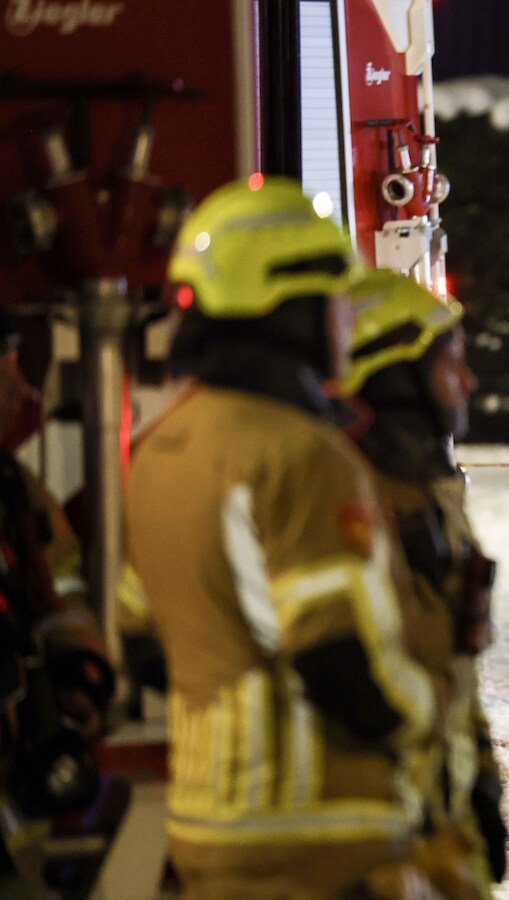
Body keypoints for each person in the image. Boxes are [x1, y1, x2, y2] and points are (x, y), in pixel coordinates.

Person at [122, 176, 442, 899]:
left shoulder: (162, 447)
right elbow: (343, 662)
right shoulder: (301, 454)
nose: (344, 321)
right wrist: (432, 707)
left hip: (207, 825)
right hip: (316, 834)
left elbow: (145, 643)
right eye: (335, 298)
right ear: (286, 305)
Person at [341, 269, 506, 897]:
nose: (467, 382)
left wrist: (479, 776)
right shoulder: (347, 503)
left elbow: (451, 659)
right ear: (394, 373)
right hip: (378, 839)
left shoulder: (433, 494)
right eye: (452, 362)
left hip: (437, 824)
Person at [1, 308, 114, 892]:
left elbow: (61, 578)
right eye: (9, 368)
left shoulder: (15, 490)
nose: (22, 389)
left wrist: (81, 664)